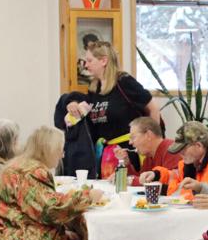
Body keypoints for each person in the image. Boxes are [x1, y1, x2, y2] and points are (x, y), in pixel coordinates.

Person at [64, 41, 162, 178]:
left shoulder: (124, 82)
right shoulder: (94, 89)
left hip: (130, 152)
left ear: (104, 60)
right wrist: (73, 104)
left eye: (89, 60)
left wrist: (154, 145)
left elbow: (153, 109)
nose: (86, 65)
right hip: (106, 155)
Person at [145, 120, 208, 200]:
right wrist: (156, 174)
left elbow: (198, 197)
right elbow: (174, 175)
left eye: (183, 149)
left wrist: (169, 188)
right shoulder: (188, 163)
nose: (180, 153)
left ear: (198, 146)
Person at [113, 117, 182, 187]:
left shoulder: (171, 149)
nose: (130, 142)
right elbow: (141, 179)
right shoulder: (149, 156)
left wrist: (128, 180)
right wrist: (126, 164)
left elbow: (170, 183)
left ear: (148, 135)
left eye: (133, 137)